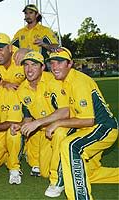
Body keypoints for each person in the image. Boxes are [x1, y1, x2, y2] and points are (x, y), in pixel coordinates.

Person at [46, 47, 118, 199]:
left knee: (71, 146)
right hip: (88, 128)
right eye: (52, 62)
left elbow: (88, 119)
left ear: (70, 64)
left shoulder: (79, 81)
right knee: (89, 174)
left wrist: (57, 123)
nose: (54, 66)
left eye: (59, 62)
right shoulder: (65, 81)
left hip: (103, 127)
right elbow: (68, 112)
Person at [11, 51, 70, 197]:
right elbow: (27, 117)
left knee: (55, 164)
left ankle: (72, 165)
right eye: (26, 65)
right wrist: (20, 125)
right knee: (44, 172)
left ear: (43, 67)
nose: (29, 69)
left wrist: (37, 123)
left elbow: (65, 112)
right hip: (43, 130)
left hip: (63, 127)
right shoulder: (22, 90)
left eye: (34, 65)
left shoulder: (53, 81)